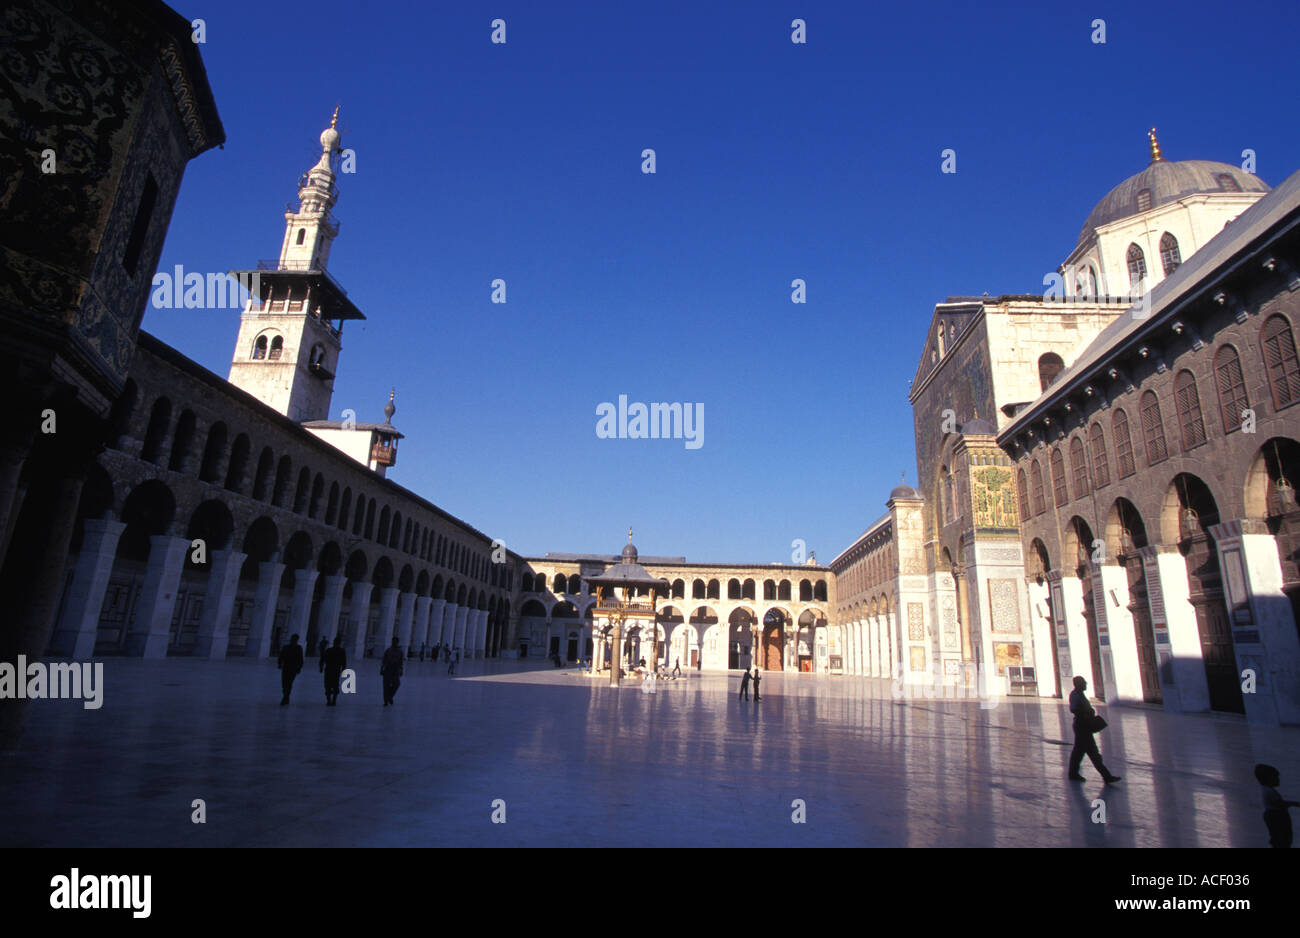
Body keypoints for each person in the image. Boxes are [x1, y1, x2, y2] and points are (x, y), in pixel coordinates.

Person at [1068, 676, 1120, 783]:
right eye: (1083, 683)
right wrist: (1086, 712)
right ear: (1078, 684)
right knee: (1092, 752)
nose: (1086, 684)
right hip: (1082, 726)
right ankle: (1106, 776)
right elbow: (1073, 709)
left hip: (1083, 725)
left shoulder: (1080, 694)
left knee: (1078, 752)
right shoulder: (1075, 695)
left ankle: (1073, 773)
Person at [1255, 763, 1299, 848]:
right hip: (1276, 816)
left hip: (1273, 815)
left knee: (1278, 838)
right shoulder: (1269, 791)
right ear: (1268, 779)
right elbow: (1279, 804)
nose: (1278, 779)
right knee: (1282, 838)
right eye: (1276, 777)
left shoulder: (1266, 790)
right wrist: (1294, 803)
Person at [277, 633, 304, 705]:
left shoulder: (299, 648)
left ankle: (286, 697)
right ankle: (286, 695)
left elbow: (300, 659)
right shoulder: (286, 647)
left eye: (295, 639)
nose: (294, 641)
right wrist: (279, 664)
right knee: (284, 683)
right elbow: (281, 656)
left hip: (293, 668)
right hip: (286, 667)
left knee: (289, 683)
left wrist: (299, 667)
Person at [323, 636, 347, 706]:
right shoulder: (341, 651)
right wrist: (343, 669)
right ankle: (333, 700)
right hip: (336, 670)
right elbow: (344, 661)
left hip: (330, 670)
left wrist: (321, 666)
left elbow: (324, 659)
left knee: (328, 685)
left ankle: (329, 700)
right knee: (334, 685)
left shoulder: (329, 650)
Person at [381, 637, 404, 706]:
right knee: (386, 686)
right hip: (388, 669)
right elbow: (384, 660)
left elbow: (401, 662)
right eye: (393, 641)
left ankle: (390, 696)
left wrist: (401, 670)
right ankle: (386, 700)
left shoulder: (400, 652)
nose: (394, 643)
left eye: (395, 641)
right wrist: (382, 669)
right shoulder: (388, 650)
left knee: (396, 684)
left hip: (395, 670)